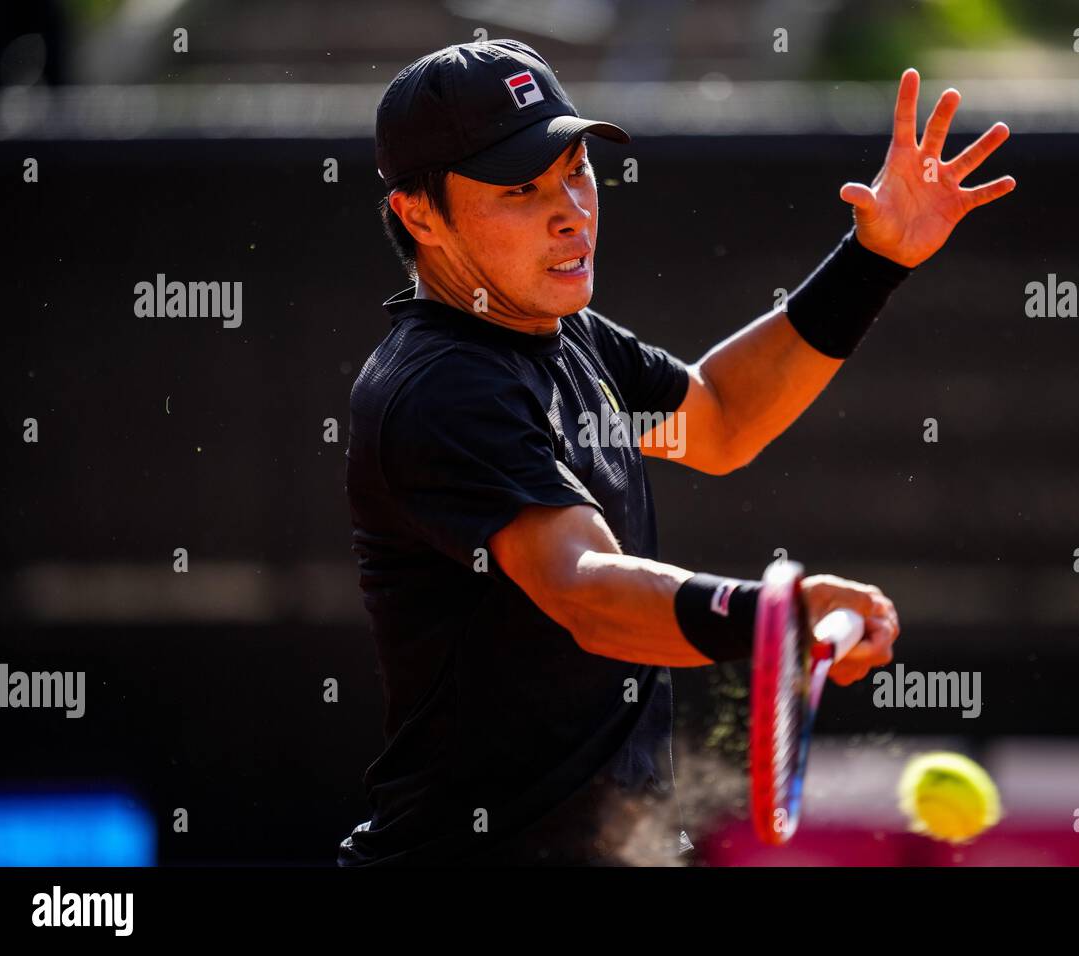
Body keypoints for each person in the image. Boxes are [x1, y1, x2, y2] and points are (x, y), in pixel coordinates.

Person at [339, 38, 1014, 866]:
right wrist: (769, 618)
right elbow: (583, 592)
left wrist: (873, 260)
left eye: (577, 171)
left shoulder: (561, 334)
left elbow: (722, 417)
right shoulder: (443, 390)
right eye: (521, 189)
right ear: (420, 215)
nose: (571, 211)